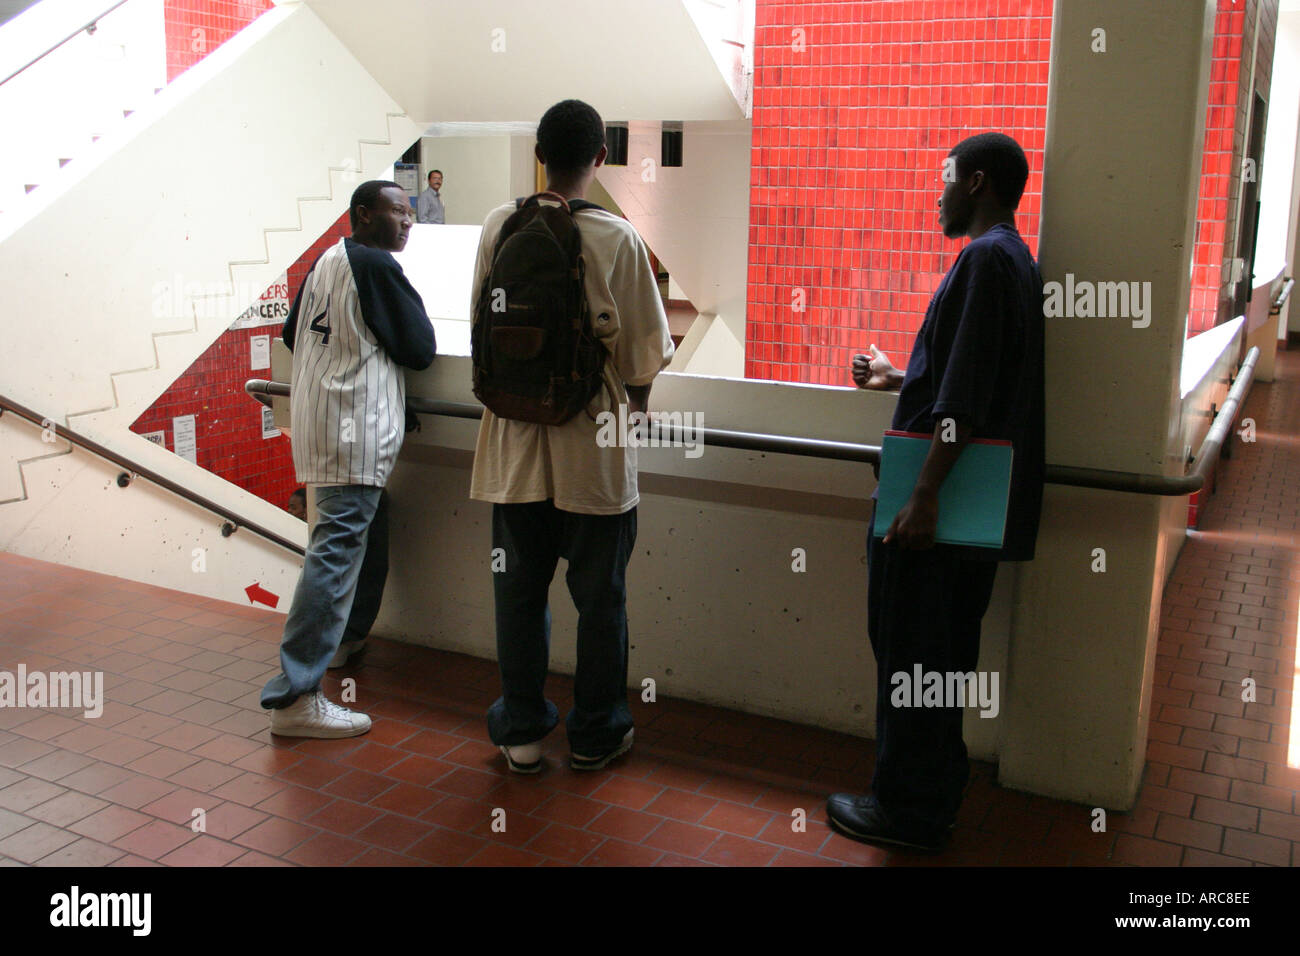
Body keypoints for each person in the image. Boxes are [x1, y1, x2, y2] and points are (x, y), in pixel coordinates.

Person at [827, 132, 1045, 850]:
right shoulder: (1014, 259)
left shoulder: (984, 261)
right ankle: (935, 796)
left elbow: (963, 403)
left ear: (977, 181)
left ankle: (906, 812)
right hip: (975, 513)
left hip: (937, 513)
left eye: (946, 179)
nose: (938, 192)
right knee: (942, 659)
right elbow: (970, 376)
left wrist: (923, 498)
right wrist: (897, 378)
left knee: (911, 655)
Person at [470, 99, 674, 774]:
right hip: (594, 457)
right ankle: (594, 734)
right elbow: (644, 357)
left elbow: (481, 328)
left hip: (512, 450)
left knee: (519, 598)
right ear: (600, 158)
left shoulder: (500, 226)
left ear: (538, 151)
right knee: (601, 602)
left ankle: (522, 733)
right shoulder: (617, 238)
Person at [260, 180, 435, 738]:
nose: (407, 221)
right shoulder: (377, 267)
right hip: (354, 431)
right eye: (396, 212)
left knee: (354, 537)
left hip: (321, 425)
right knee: (333, 556)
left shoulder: (324, 262)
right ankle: (295, 697)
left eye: (410, 213)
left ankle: (346, 641)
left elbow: (292, 334)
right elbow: (421, 349)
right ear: (363, 215)